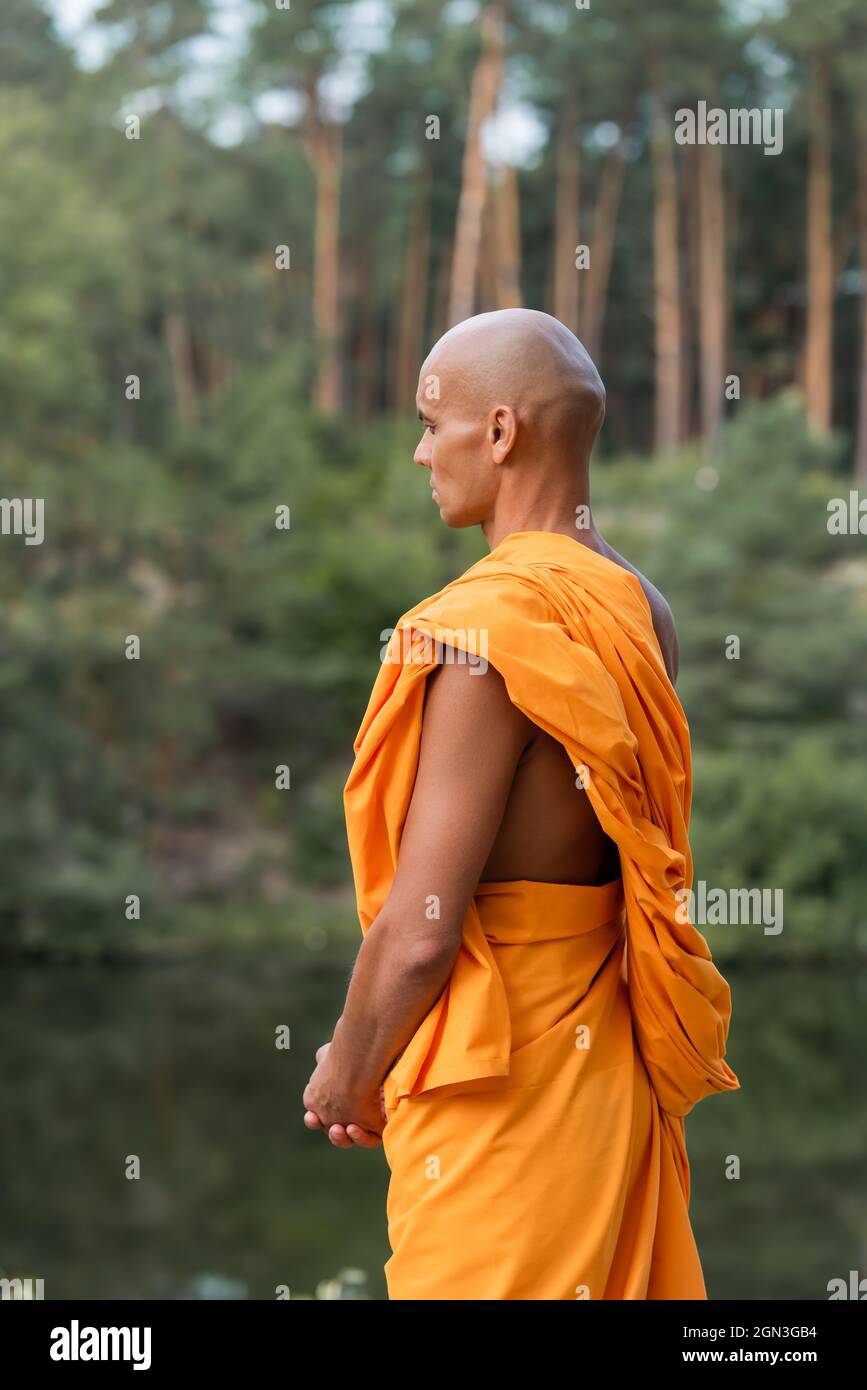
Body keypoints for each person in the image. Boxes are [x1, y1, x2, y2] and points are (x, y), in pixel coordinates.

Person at [302, 307, 739, 1299]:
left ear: (499, 433)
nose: (420, 453)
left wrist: (348, 1073)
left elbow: (420, 931)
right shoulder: (638, 604)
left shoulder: (480, 633)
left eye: (431, 422)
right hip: (601, 1073)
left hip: (497, 1089)